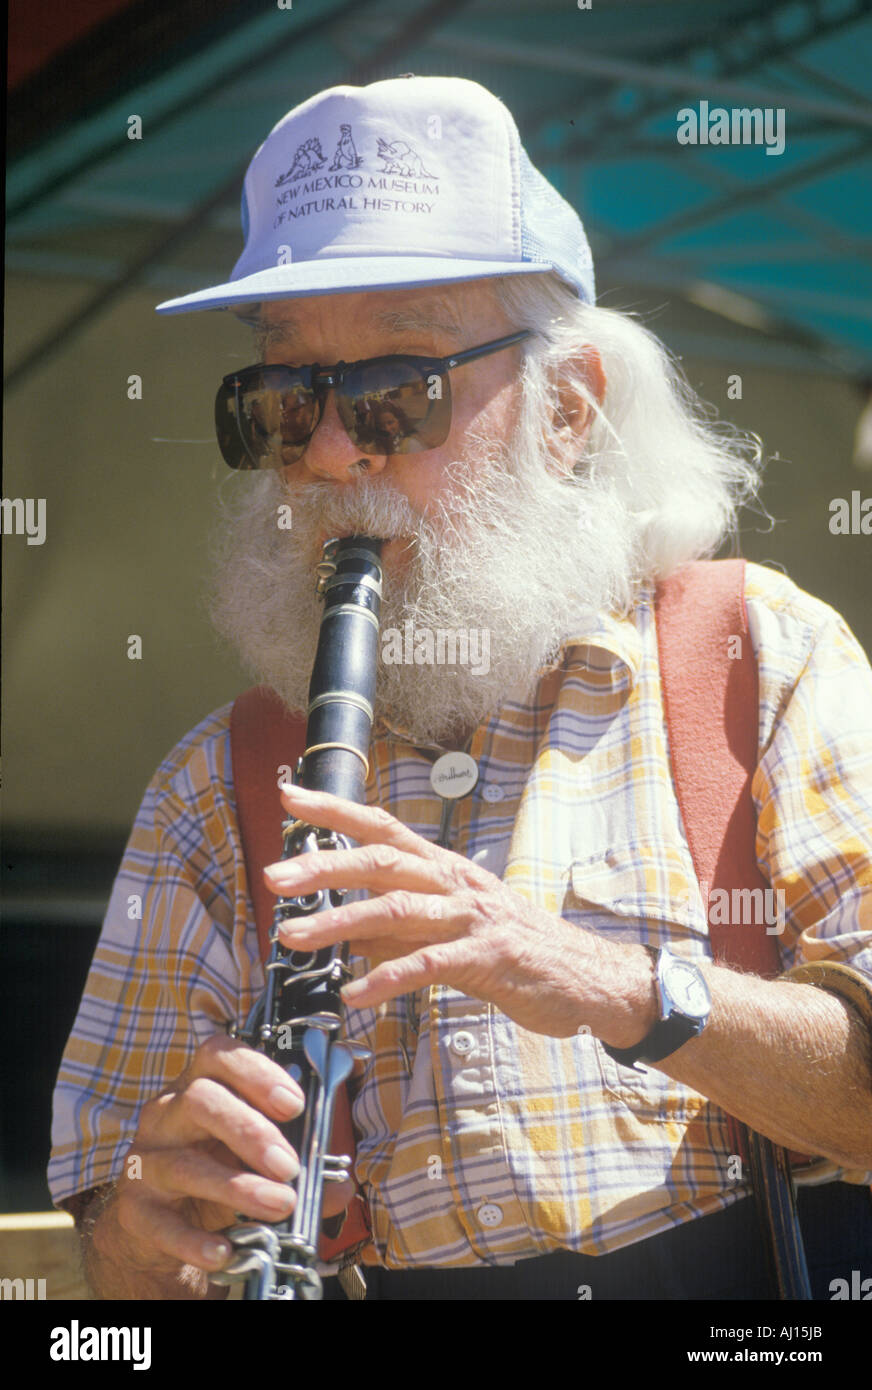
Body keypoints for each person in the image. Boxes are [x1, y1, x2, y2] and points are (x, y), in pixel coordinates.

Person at [49, 75, 872, 1302]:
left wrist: (598, 982)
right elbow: (112, 1263)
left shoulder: (756, 656)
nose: (332, 453)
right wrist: (143, 1236)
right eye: (286, 399)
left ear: (567, 407)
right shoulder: (212, 785)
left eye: (397, 391)